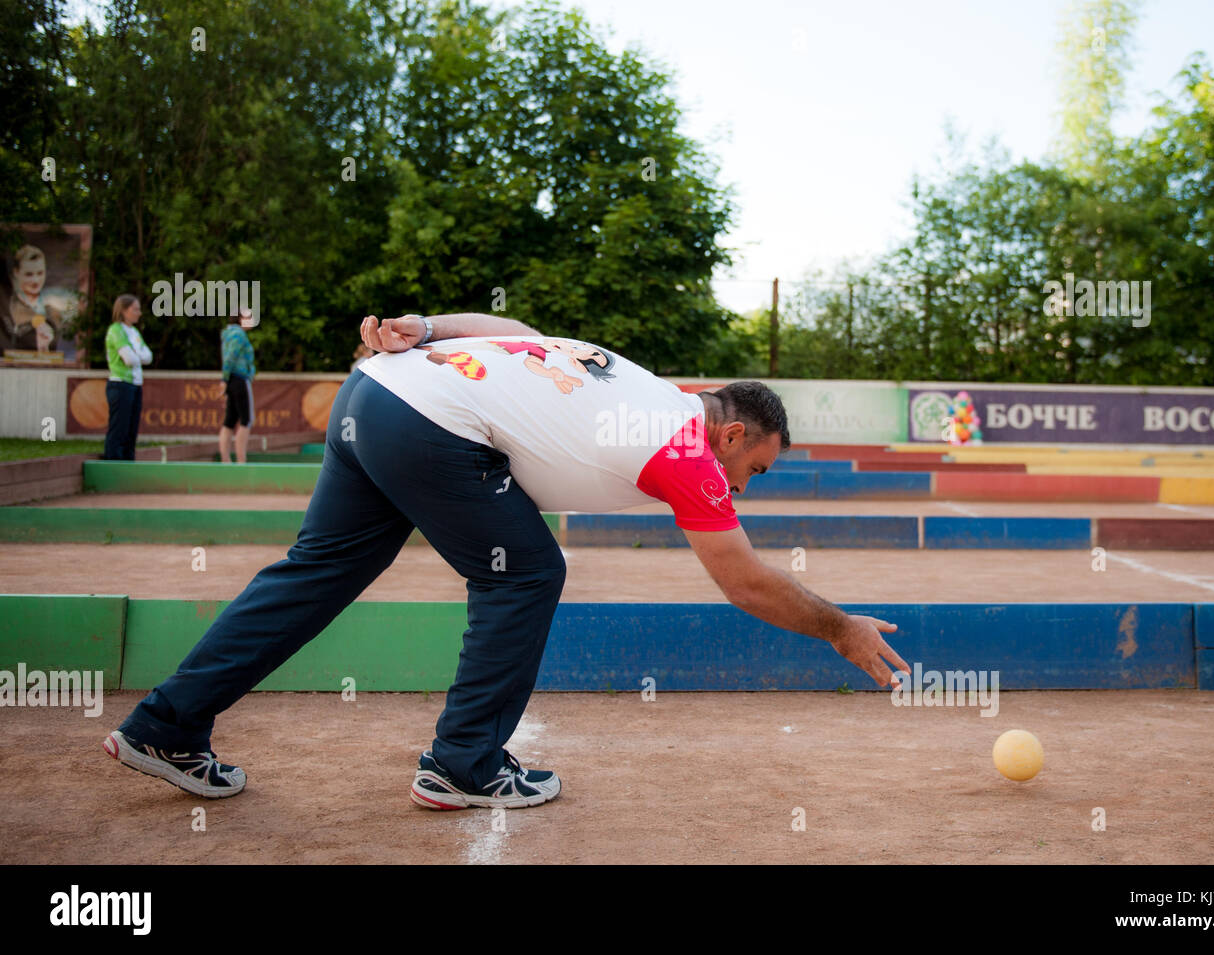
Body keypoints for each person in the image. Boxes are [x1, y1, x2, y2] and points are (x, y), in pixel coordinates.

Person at [103, 312, 908, 809]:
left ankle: (165, 725)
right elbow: (742, 580)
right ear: (732, 435)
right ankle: (463, 764)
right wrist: (838, 627)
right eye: (753, 469)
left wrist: (423, 324)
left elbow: (515, 332)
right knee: (527, 571)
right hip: (429, 421)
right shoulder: (688, 448)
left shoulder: (636, 379)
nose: (742, 486)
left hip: (373, 394)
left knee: (319, 572)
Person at [102, 295, 151, 460]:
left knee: (131, 429)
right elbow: (129, 359)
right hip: (120, 384)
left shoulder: (135, 332)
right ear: (123, 310)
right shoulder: (116, 330)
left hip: (136, 384)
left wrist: (136, 354)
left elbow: (148, 356)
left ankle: (128, 464)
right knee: (119, 428)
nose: (139, 313)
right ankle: (113, 464)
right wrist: (138, 355)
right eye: (135, 309)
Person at [218, 308, 256, 463]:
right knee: (246, 419)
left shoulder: (228, 334)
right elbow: (230, 358)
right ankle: (241, 460)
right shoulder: (239, 335)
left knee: (230, 420)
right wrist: (224, 379)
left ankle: (226, 460)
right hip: (239, 379)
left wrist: (225, 380)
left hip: (233, 380)